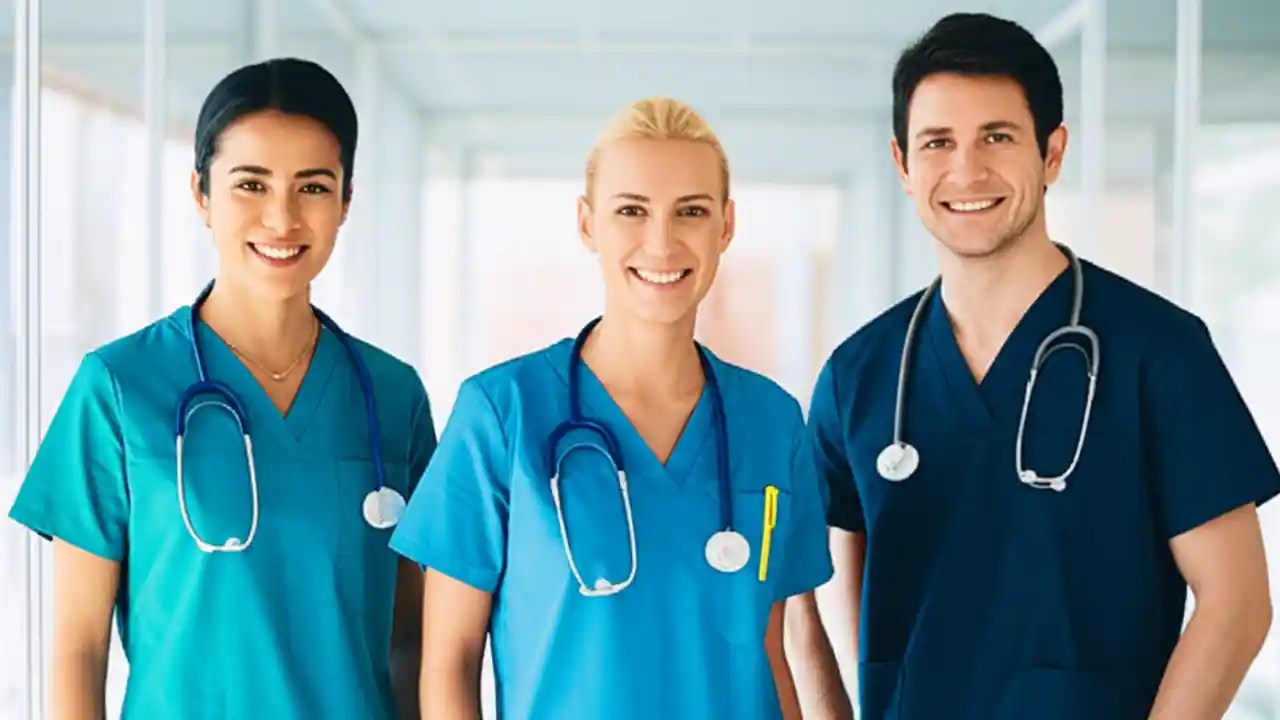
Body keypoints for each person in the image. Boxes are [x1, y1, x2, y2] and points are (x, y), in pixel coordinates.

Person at [802, 12, 1279, 719]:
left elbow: (1237, 604)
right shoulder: (859, 374)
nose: (967, 170)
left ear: (1052, 152)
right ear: (903, 164)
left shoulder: (1159, 350)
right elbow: (811, 589)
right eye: (938, 143)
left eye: (997, 137)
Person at [8, 58, 435, 719]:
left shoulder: (392, 395)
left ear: (347, 201)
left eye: (314, 188)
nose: (282, 217)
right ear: (202, 194)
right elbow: (78, 647)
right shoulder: (120, 387)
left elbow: (412, 641)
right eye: (250, 184)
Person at [388, 97, 833, 719]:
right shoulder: (501, 413)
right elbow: (449, 663)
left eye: (692, 211)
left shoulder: (772, 421)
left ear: (726, 226)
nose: (662, 240)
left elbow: (770, 652)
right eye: (631, 210)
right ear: (587, 222)